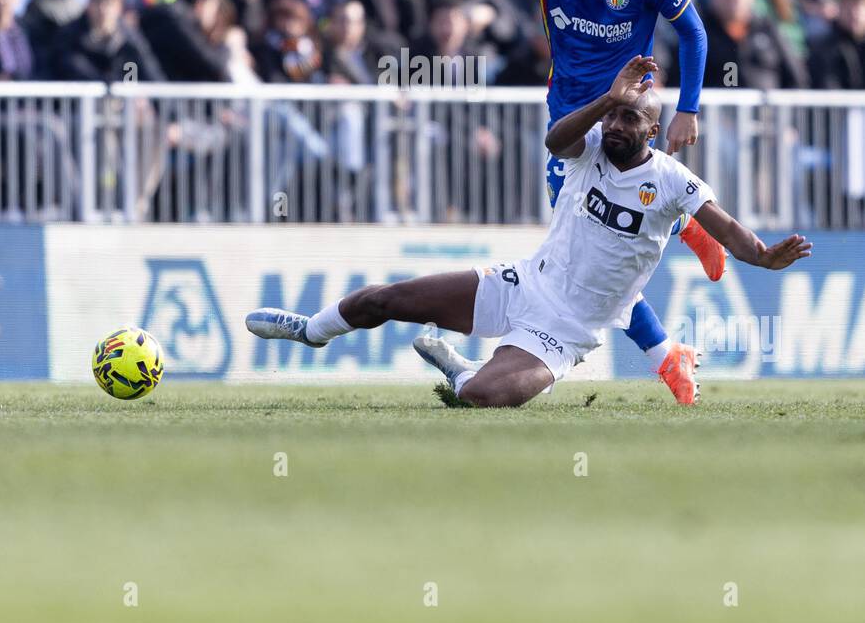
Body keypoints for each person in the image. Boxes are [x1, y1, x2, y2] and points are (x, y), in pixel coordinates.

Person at [247, 55, 811, 408]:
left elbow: (729, 229)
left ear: (654, 129)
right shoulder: (589, 146)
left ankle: (460, 367)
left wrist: (762, 256)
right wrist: (606, 99)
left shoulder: (671, 181)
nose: (616, 125)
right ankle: (310, 331)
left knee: (484, 396)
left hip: (566, 332)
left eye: (629, 118)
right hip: (519, 283)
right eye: (614, 115)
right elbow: (553, 142)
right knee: (388, 297)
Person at [384, 0, 725, 373]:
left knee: (593, 240)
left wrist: (689, 109)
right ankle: (682, 240)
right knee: (591, 244)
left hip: (624, 120)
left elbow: (694, 33)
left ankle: (666, 338)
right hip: (569, 122)